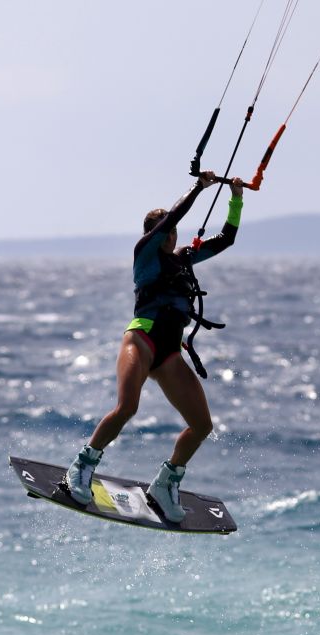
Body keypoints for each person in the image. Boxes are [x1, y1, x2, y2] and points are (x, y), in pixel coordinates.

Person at [63, 171, 245, 522]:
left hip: (169, 353)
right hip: (142, 339)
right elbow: (172, 218)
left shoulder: (183, 259)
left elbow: (225, 240)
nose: (172, 234)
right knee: (127, 407)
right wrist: (198, 188)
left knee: (202, 425)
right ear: (154, 232)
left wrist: (236, 198)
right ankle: (82, 466)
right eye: (166, 229)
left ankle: (165, 482)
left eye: (173, 231)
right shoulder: (144, 253)